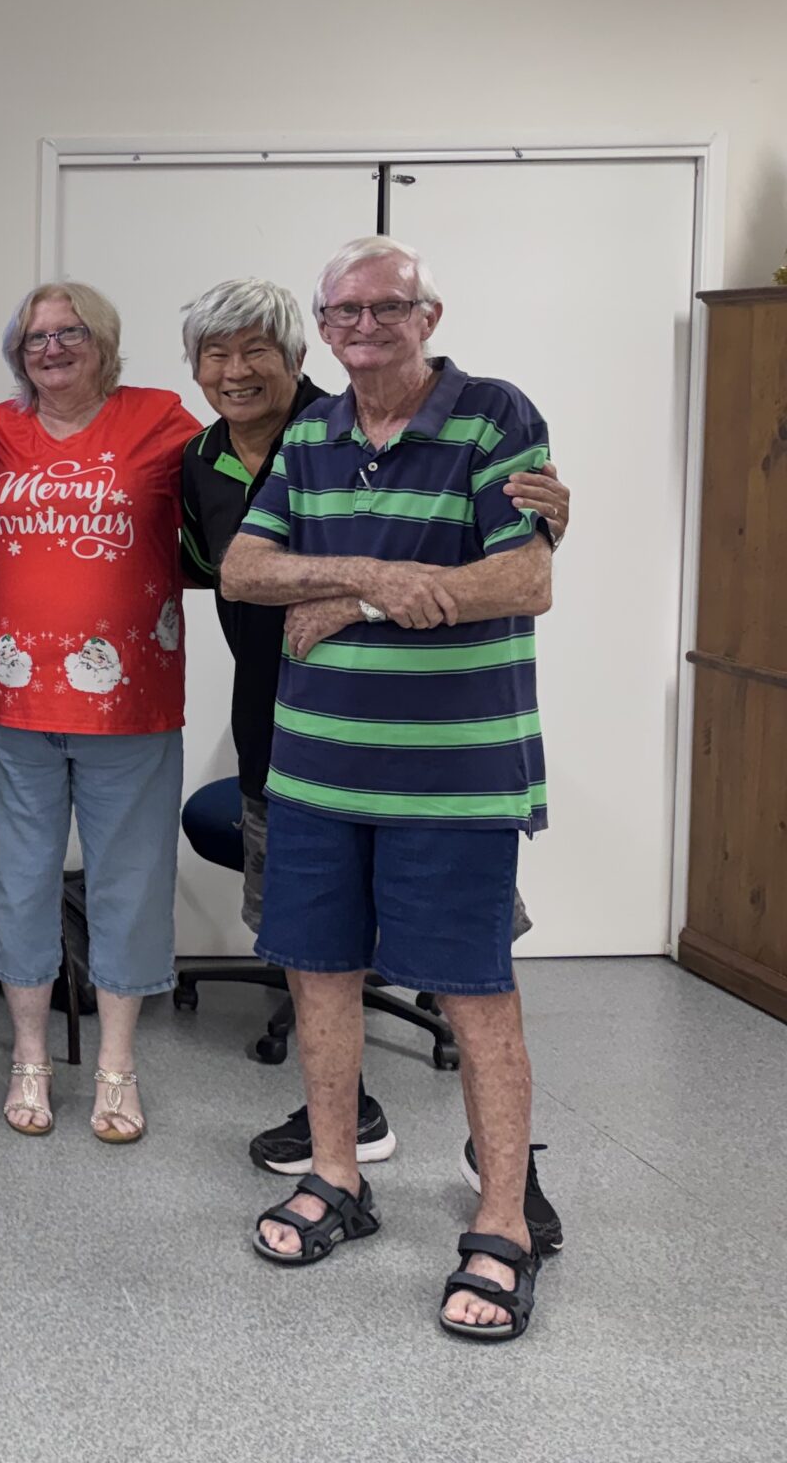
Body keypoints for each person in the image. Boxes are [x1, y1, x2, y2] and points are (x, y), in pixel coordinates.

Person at [224, 237, 561, 1341]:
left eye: (386, 307)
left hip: (453, 778)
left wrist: (351, 606)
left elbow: (524, 575)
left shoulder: (494, 415)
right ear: (321, 329)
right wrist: (376, 573)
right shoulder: (313, 433)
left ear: (427, 314)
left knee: (473, 995)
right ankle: (338, 1178)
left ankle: (503, 1222)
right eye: (342, 312)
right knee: (318, 975)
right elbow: (245, 569)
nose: (362, 326)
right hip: (315, 768)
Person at [0, 282, 198, 1143]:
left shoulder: (162, 420)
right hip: (14, 696)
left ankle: (117, 1066)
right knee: (19, 879)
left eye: (71, 333)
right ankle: (28, 1056)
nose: (53, 347)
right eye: (36, 337)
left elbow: (254, 471)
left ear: (104, 342)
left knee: (130, 884)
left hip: (133, 700)